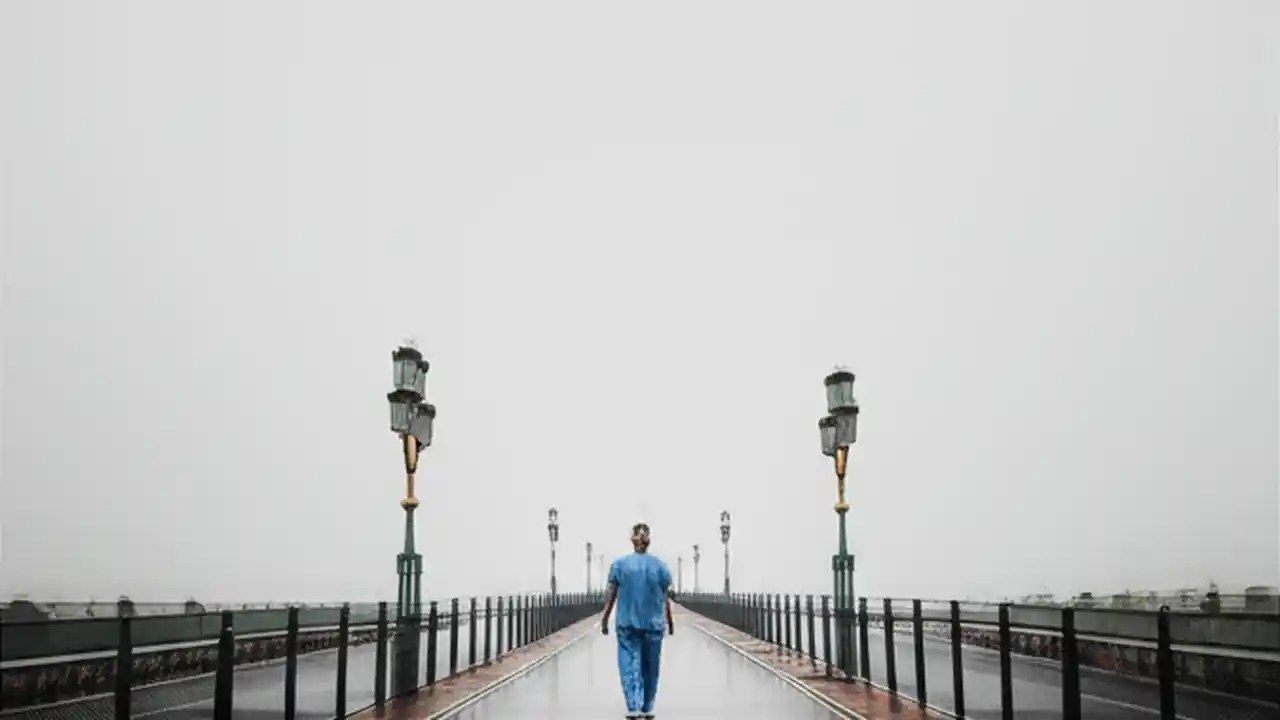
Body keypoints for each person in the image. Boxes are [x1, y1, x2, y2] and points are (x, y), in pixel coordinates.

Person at [600, 522, 674, 720]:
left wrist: (605, 618)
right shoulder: (661, 567)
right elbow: (665, 596)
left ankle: (634, 706)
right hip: (654, 624)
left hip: (627, 623)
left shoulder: (619, 565)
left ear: (632, 540)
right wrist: (670, 620)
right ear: (648, 541)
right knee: (651, 667)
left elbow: (611, 595)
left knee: (629, 663)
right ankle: (647, 706)